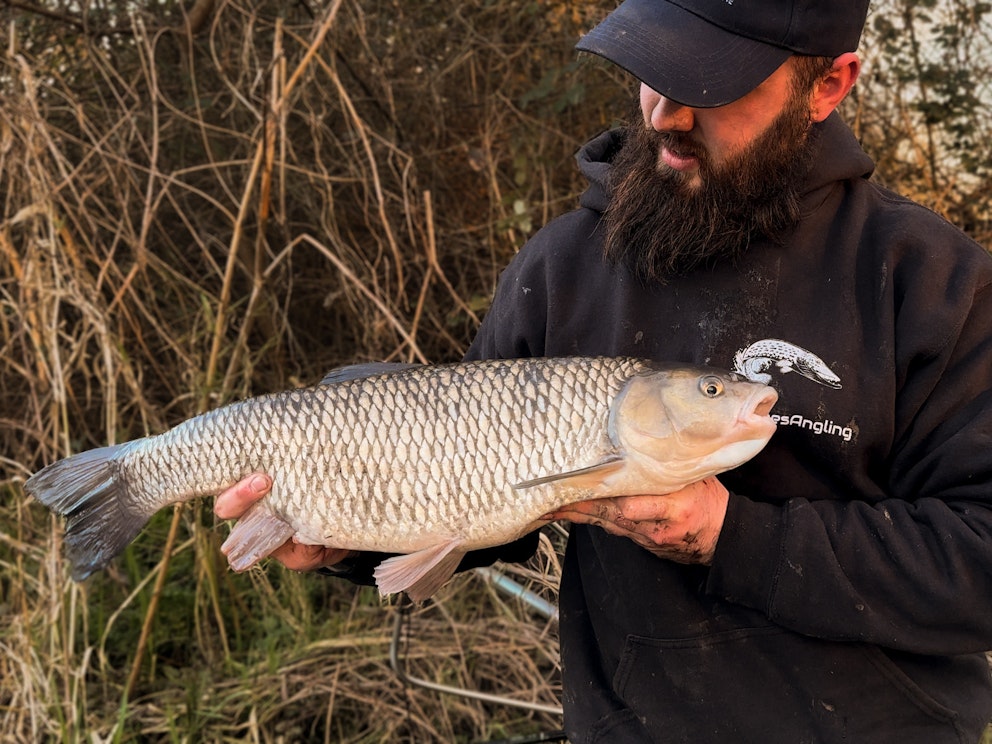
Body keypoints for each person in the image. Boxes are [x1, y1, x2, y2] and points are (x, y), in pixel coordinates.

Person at [214, 0, 992, 741]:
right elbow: (473, 498)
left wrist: (734, 537)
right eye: (657, 67)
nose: (664, 112)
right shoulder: (563, 266)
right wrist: (344, 538)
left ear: (829, 85)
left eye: (709, 82)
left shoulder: (931, 283)